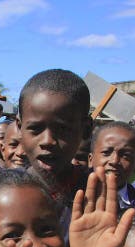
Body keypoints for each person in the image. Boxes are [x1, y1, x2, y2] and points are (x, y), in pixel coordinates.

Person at [16, 69, 93, 237]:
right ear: (19, 128)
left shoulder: (98, 196)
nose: (47, 141)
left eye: (62, 129)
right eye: (35, 129)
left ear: (86, 130)